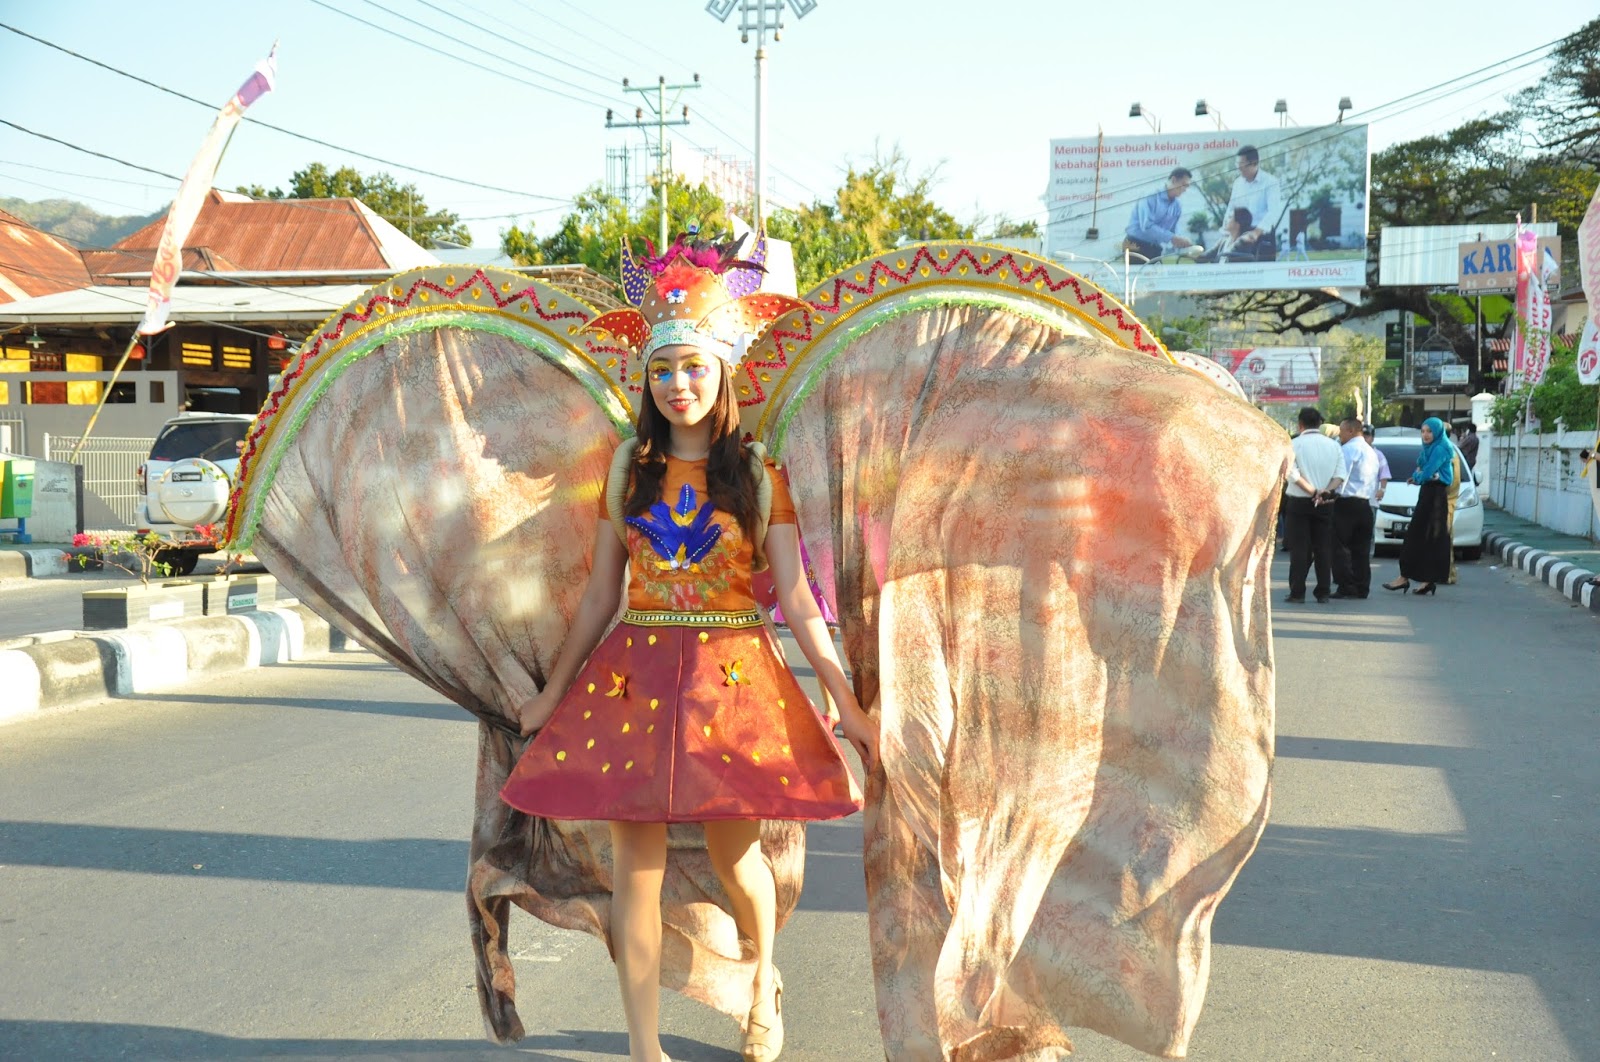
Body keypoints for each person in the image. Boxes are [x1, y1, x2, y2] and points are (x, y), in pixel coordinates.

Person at [499, 235, 880, 1062]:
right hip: (634, 679)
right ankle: (646, 1048)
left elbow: (803, 604)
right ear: (647, 378)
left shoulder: (759, 475)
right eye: (664, 370)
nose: (679, 385)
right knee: (632, 866)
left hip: (731, 679)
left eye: (695, 368)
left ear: (724, 373)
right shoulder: (623, 471)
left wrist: (846, 702)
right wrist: (554, 690)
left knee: (734, 853)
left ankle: (762, 978)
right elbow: (604, 595)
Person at [1384, 416, 1458, 596]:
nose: (1425, 435)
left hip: (1435, 497)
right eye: (1423, 431)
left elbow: (1428, 471)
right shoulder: (1430, 448)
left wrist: (1417, 477)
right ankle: (1422, 580)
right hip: (1429, 494)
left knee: (1419, 536)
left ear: (1438, 432)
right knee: (1420, 537)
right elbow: (1421, 468)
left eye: (1429, 431)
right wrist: (1417, 477)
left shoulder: (1441, 448)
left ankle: (1410, 578)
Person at [1283, 407, 1347, 603]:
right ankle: (1323, 592)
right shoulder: (1334, 446)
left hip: (1299, 502)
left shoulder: (1293, 444)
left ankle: (1297, 592)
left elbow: (1292, 475)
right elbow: (1340, 475)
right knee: (1323, 548)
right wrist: (1324, 492)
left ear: (1300, 424)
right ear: (1319, 424)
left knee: (1300, 549)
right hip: (1326, 502)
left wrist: (1312, 492)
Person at [1331, 416, 1379, 598]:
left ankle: (1346, 585)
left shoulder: (1348, 449)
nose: (1340, 435)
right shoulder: (1371, 452)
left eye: (1342, 431)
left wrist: (1332, 493)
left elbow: (1342, 476)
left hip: (1346, 503)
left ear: (1351, 431)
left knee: (1340, 547)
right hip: (1365, 504)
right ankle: (1361, 586)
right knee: (1361, 549)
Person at [1123, 167, 1195, 263]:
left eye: (1187, 187)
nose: (1185, 190)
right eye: (1183, 185)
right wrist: (1173, 238)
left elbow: (1173, 230)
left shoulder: (1177, 206)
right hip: (1135, 244)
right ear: (1174, 180)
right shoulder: (1150, 196)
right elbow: (1147, 226)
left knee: (1157, 277)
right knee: (1135, 277)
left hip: (1156, 247)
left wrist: (1183, 242)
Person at [1225, 146, 1283, 261]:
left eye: (1242, 164)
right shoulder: (1238, 183)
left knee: (1263, 275)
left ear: (1254, 163)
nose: (1239, 168)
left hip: (1261, 236)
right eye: (1237, 164)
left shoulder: (1270, 182)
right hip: (1239, 237)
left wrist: (1256, 233)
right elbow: (1231, 209)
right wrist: (1226, 232)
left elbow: (1274, 211)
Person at [1363, 424, 1392, 502]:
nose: (1364, 438)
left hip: (1372, 499)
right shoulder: (1354, 453)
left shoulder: (1378, 455)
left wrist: (1382, 490)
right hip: (1355, 498)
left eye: (1367, 436)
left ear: (1372, 438)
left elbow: (1384, 474)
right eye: (1362, 436)